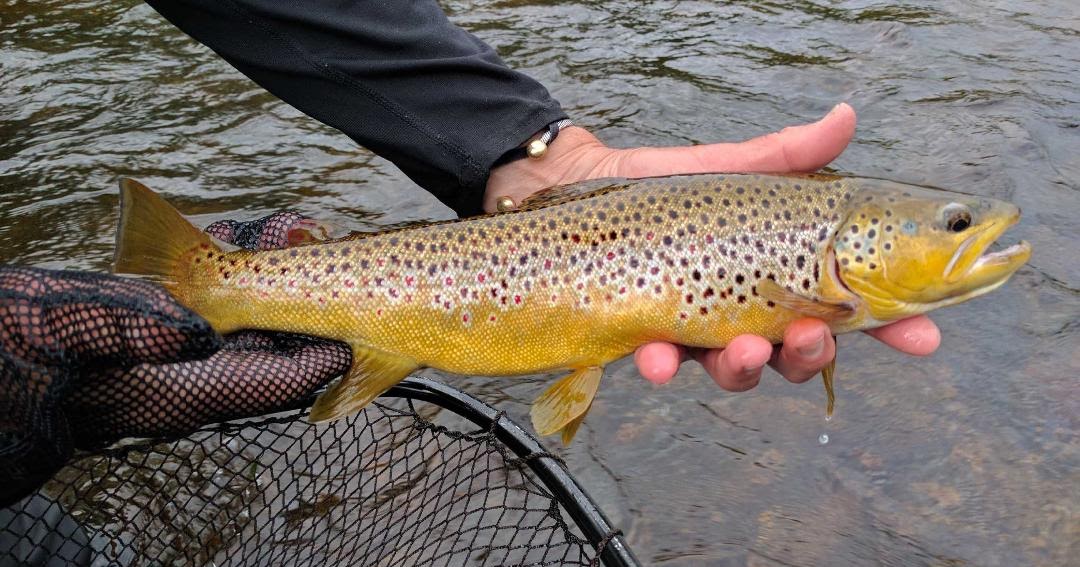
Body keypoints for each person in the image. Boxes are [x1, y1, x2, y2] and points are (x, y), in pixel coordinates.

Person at [1, 0, 940, 508]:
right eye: (950, 227)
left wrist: (519, 144)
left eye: (954, 227)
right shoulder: (820, 266)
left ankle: (224, 288)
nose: (967, 235)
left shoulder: (815, 263)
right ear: (861, 245)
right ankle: (219, 287)